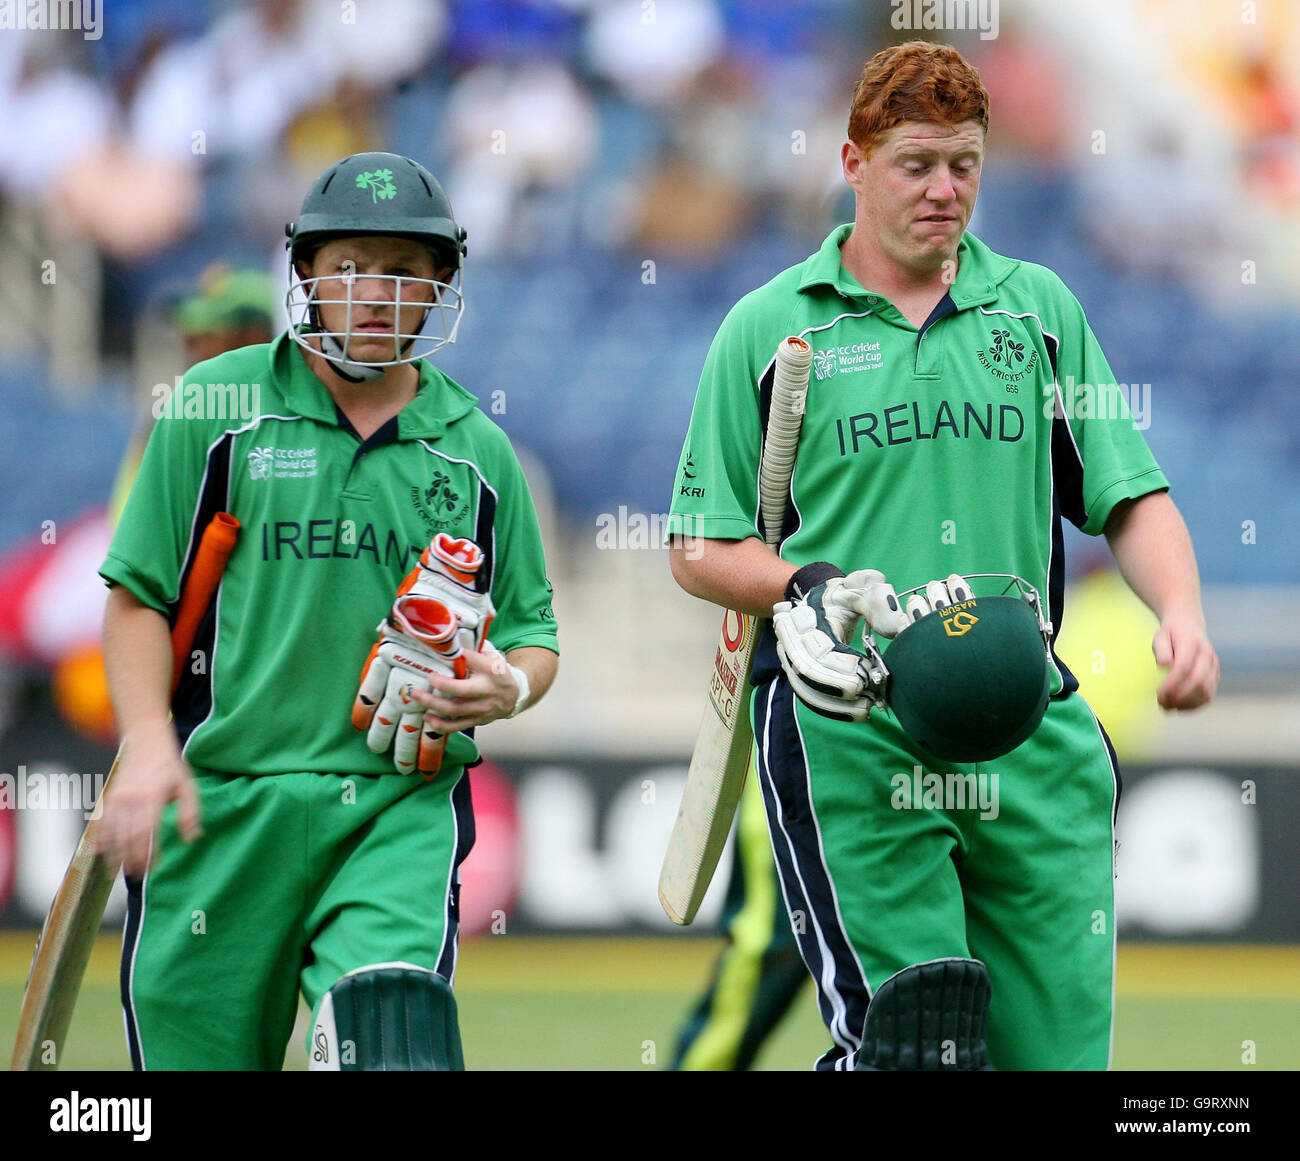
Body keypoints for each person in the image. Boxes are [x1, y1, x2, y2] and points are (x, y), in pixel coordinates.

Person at [665, 42, 1218, 1071]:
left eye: (963, 164)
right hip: (851, 734)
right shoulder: (770, 329)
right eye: (916, 163)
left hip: (1029, 728)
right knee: (915, 1054)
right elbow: (699, 545)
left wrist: (1178, 612)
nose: (943, 188)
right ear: (854, 160)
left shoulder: (1037, 310)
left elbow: (1129, 495)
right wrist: (805, 587)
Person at [96, 151, 558, 1070]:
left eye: (402, 271)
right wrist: (148, 740)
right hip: (219, 807)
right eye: (349, 266)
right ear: (306, 274)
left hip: (395, 809)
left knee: (389, 1048)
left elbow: (534, 635)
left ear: (438, 289)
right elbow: (138, 594)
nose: (375, 292)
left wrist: (506, 687)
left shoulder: (479, 454)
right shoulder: (213, 408)